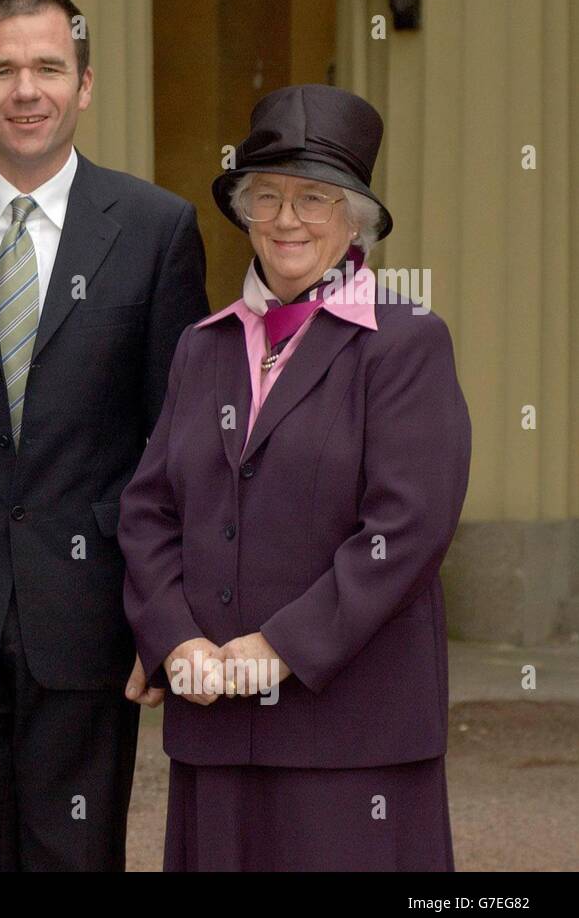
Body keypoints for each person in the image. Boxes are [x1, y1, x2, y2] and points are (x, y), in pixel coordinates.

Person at [117, 83, 472, 871]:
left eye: (314, 197)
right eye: (267, 196)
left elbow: (407, 528)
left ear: (356, 219)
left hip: (350, 734)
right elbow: (148, 511)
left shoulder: (406, 342)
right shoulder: (202, 345)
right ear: (244, 211)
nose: (287, 219)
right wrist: (173, 637)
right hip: (216, 725)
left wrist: (278, 647)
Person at [0, 0, 209, 871]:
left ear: (84, 85)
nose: (25, 90)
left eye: (48, 67)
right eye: (1, 70)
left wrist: (165, 617)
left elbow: (176, 443)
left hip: (89, 615)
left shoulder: (157, 228)